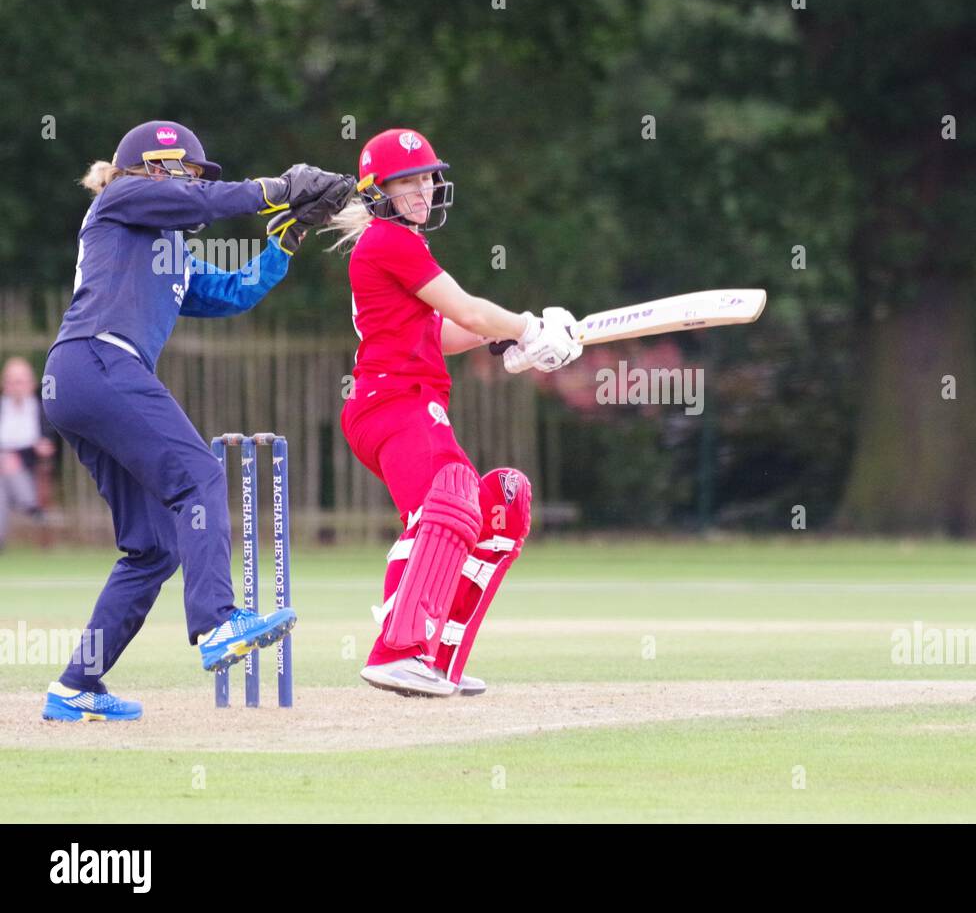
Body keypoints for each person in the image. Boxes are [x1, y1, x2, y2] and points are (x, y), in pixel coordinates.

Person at [39, 120, 353, 721]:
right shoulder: (120, 196)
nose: (194, 185)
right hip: (99, 359)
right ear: (157, 169)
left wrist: (285, 239)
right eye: (187, 172)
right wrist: (279, 186)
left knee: (153, 548)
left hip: (82, 377)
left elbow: (234, 292)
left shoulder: (168, 249)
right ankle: (216, 624)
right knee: (200, 477)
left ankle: (76, 683)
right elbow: (200, 199)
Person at [324, 128, 582, 697]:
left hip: (405, 400)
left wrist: (505, 339)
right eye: (406, 182)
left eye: (426, 178)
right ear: (377, 192)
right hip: (391, 400)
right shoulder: (390, 241)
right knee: (453, 486)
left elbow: (440, 330)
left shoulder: (399, 246)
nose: (423, 190)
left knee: (501, 503)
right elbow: (467, 306)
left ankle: (437, 657)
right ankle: (398, 649)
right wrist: (528, 328)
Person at [0, 356, 58, 549]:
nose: (17, 386)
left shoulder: (43, 411)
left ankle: (30, 502)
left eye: (21, 381)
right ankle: (32, 507)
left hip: (29, 467)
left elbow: (50, 444)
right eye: (12, 381)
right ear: (4, 384)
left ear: (31, 383)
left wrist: (44, 446)